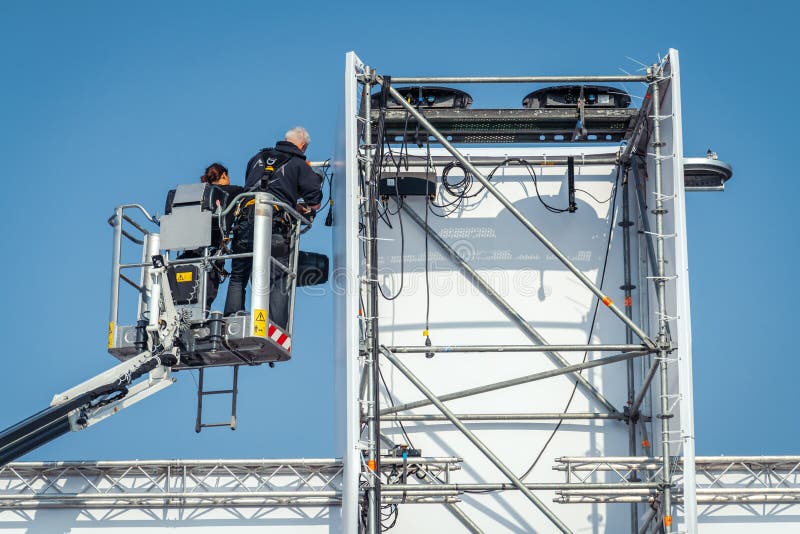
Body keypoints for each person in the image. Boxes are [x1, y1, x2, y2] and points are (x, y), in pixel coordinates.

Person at [223, 127, 323, 329]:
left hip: (244, 222)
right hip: (275, 226)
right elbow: (315, 202)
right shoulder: (298, 163)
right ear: (302, 145)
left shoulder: (256, 158)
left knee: (239, 274)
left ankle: (232, 318)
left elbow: (261, 189)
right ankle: (275, 327)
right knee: (278, 277)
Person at [178, 163, 242, 308]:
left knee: (182, 292)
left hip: (188, 251)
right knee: (206, 293)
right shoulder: (232, 191)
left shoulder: (197, 193)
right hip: (212, 253)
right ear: (224, 175)